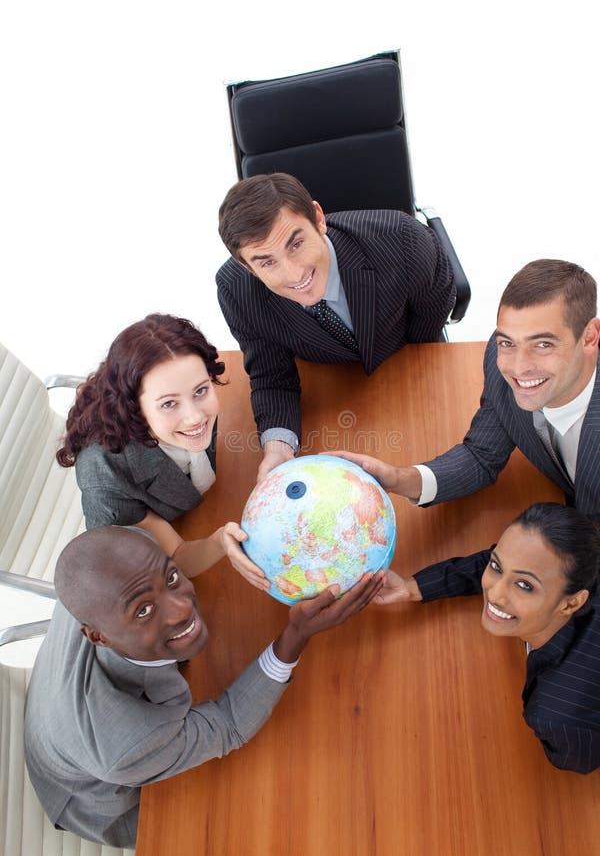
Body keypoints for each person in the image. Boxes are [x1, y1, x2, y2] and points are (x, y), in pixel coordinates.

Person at [24, 526, 383, 847]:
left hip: (58, 711)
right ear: (97, 637)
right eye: (144, 611)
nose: (181, 609)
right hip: (96, 801)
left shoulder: (121, 568)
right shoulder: (127, 746)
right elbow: (227, 725)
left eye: (172, 578)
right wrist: (297, 634)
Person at [216, 172, 456, 481]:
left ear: (318, 218)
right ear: (246, 266)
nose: (293, 274)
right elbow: (272, 376)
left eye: (296, 244)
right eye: (267, 262)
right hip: (329, 385)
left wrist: (407, 367)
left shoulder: (403, 240)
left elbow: (433, 311)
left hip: (408, 363)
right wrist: (279, 450)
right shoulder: (236, 290)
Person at [335, 259, 600, 521]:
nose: (519, 368)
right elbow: (482, 456)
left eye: (542, 345)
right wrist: (397, 478)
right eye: (508, 342)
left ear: (589, 338)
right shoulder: (500, 367)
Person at [376, 502, 600, 773]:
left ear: (572, 603)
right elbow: (512, 560)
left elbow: (578, 760)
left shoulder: (556, 716)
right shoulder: (584, 556)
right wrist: (413, 588)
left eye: (524, 586)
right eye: (497, 567)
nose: (494, 595)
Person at [56, 313, 266, 588]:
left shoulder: (183, 397)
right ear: (133, 408)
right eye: (169, 404)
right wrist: (219, 542)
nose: (194, 417)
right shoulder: (107, 483)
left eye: (201, 391)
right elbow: (175, 557)